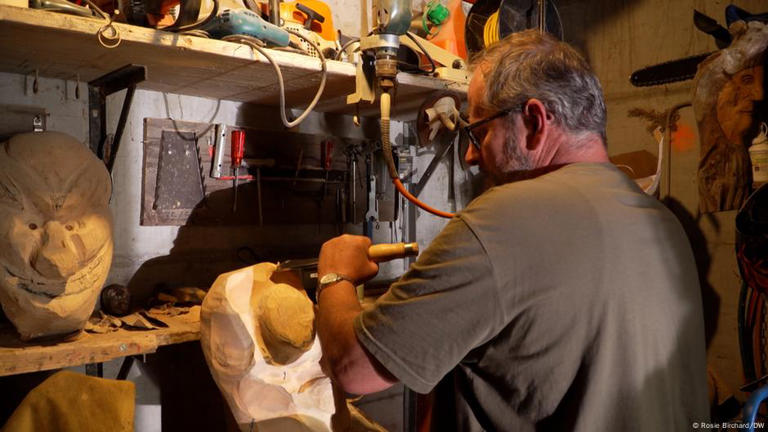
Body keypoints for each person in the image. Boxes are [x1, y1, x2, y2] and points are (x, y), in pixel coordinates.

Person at [316, 30, 709, 431]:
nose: (470, 155)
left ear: (535, 122)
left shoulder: (506, 217)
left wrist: (336, 275)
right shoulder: (664, 222)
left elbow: (354, 368)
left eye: (480, 132)